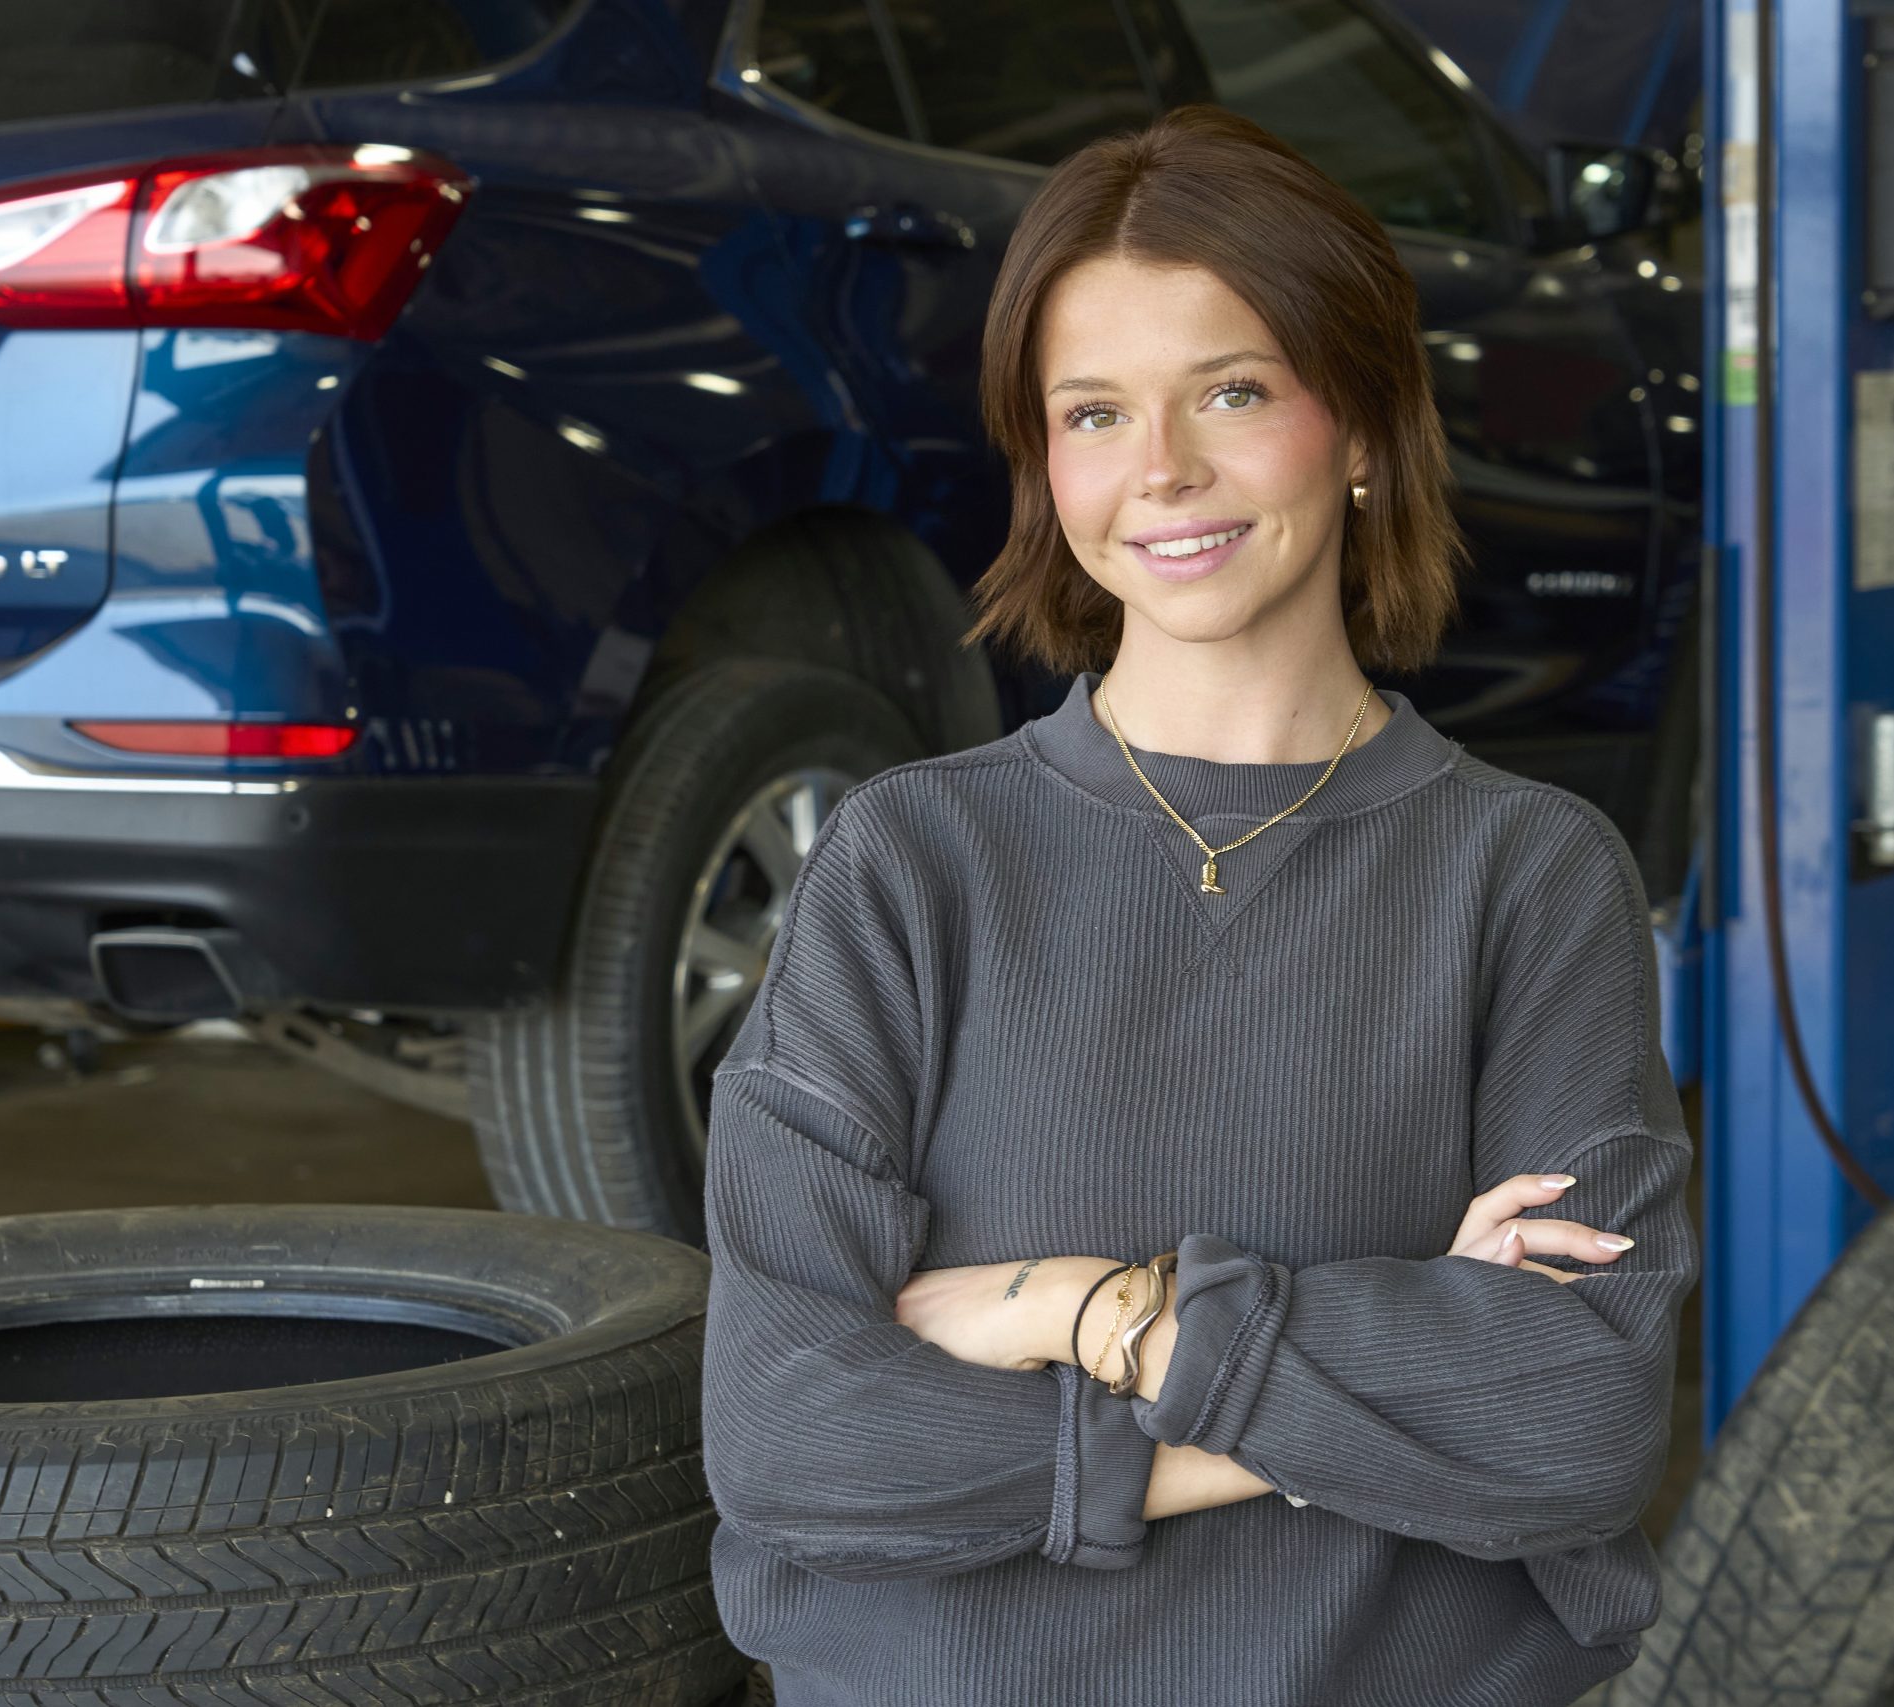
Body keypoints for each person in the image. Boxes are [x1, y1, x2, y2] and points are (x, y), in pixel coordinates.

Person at [699, 102, 1699, 1707]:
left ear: (1363, 425)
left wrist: (1076, 1311)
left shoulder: (1527, 874)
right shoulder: (910, 865)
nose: (1160, 470)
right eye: (1093, 413)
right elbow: (794, 1437)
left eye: (1232, 391)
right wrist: (1357, 1405)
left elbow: (1570, 1424)